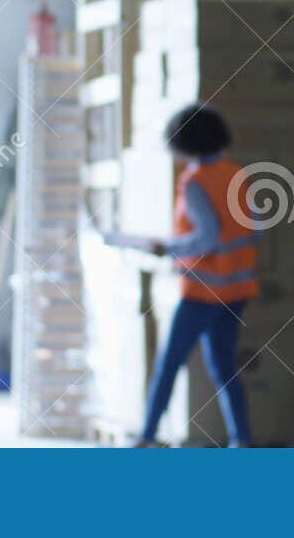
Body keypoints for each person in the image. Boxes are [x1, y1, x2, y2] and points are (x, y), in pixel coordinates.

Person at [111, 103, 256, 448]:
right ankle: (243, 442)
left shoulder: (195, 182)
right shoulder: (238, 174)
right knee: (223, 369)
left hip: (203, 291)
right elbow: (252, 232)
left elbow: (207, 237)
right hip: (237, 289)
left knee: (169, 363)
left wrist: (167, 248)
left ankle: (147, 436)